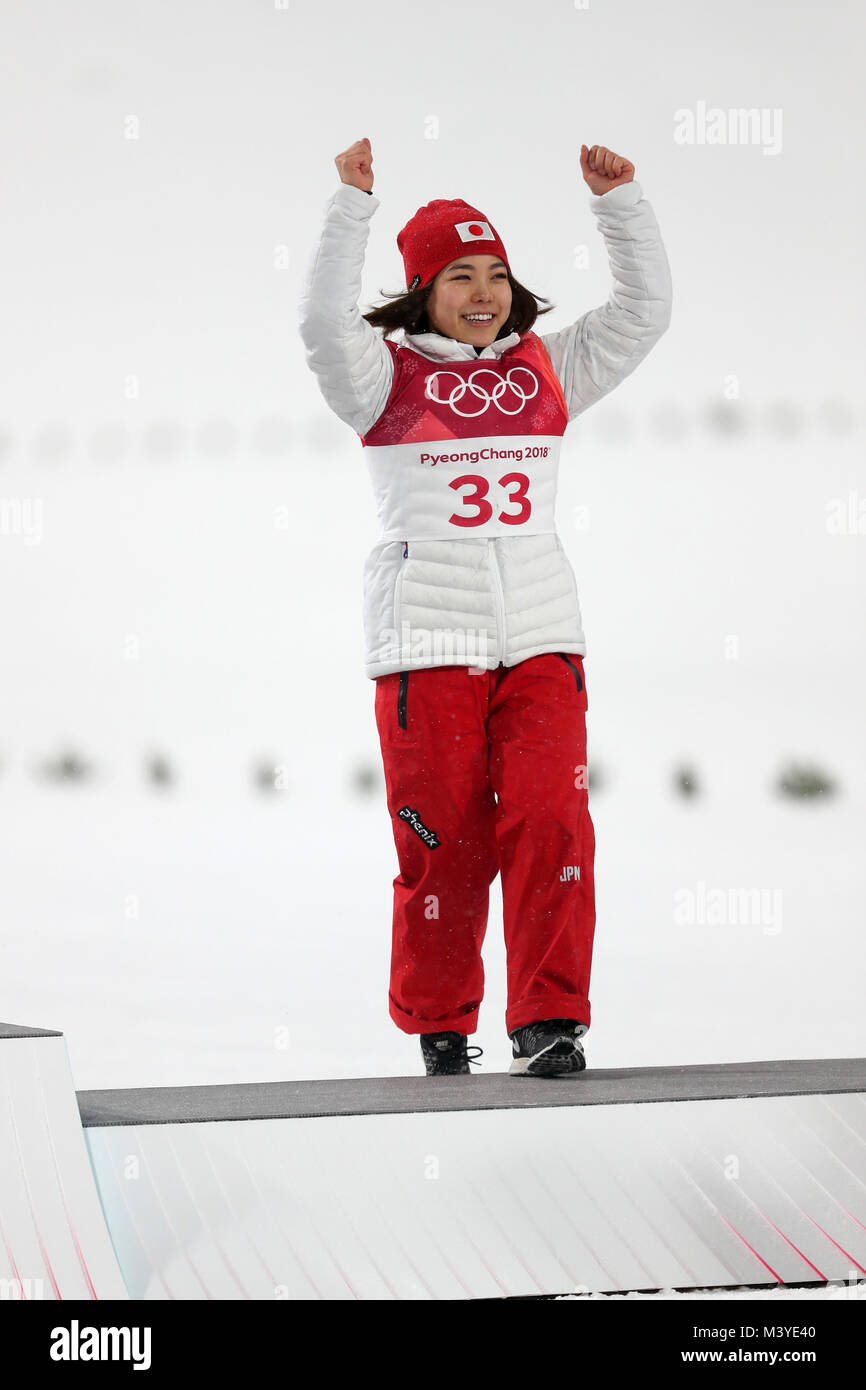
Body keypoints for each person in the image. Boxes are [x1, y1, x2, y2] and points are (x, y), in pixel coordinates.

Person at [299, 137, 672, 1077]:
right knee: (447, 847)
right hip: (428, 645)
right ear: (422, 290)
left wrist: (619, 208)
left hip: (542, 639)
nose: (481, 292)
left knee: (553, 822)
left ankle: (550, 1020)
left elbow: (643, 313)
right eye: (457, 276)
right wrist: (351, 207)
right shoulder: (380, 379)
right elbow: (318, 321)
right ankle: (440, 1025)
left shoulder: (549, 369)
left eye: (496, 274)